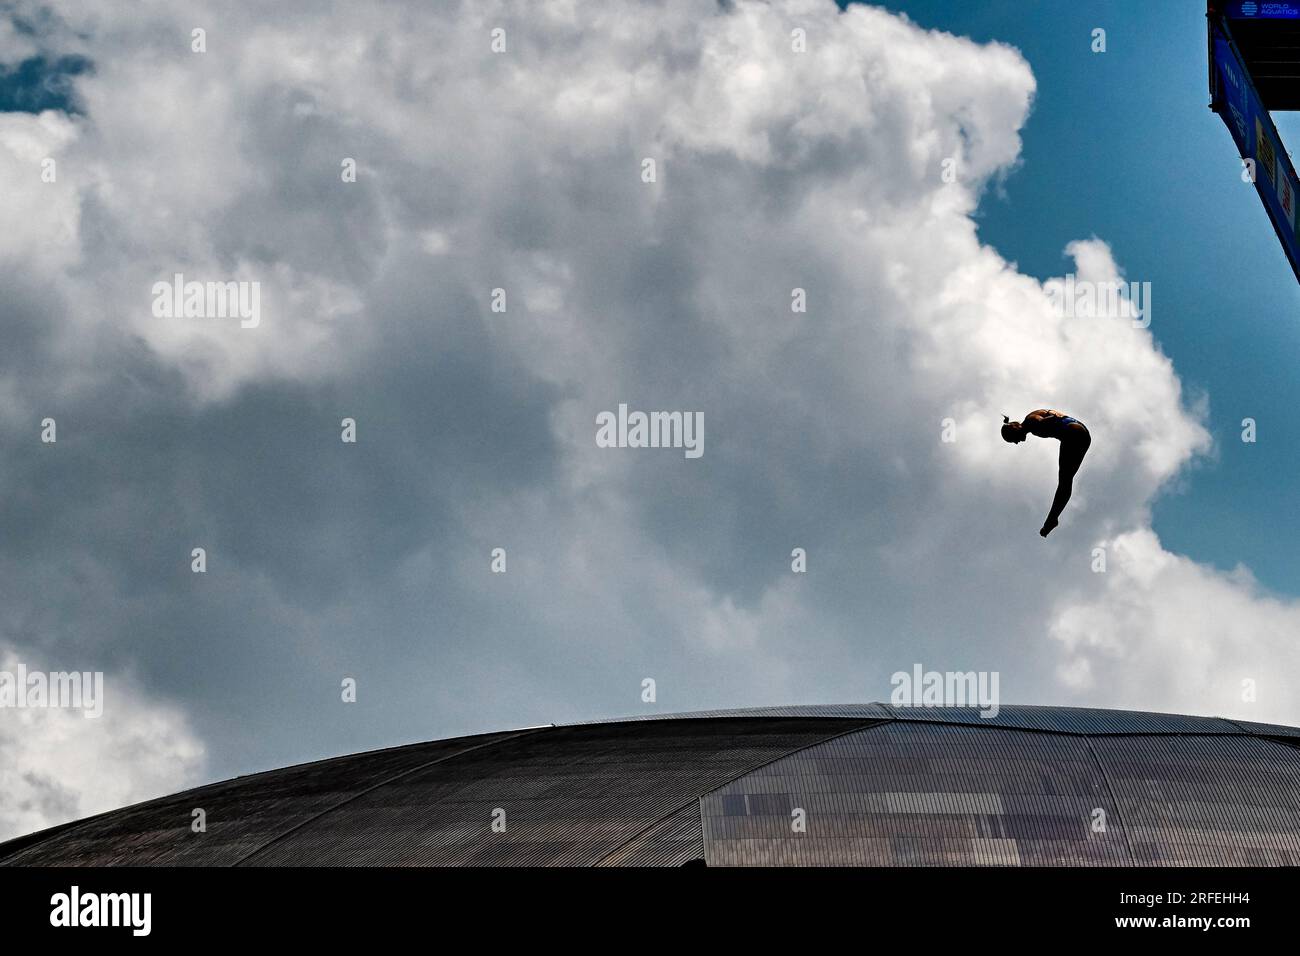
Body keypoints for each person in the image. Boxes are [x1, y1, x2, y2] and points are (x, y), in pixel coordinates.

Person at [1000, 410, 1090, 537]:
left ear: (1015, 427)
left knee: (1064, 482)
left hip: (1072, 433)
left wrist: (1050, 419)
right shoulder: (1031, 424)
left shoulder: (1030, 421)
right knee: (1066, 481)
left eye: (1012, 439)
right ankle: (1052, 518)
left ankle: (1052, 519)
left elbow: (1043, 420)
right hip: (1082, 434)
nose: (1016, 442)